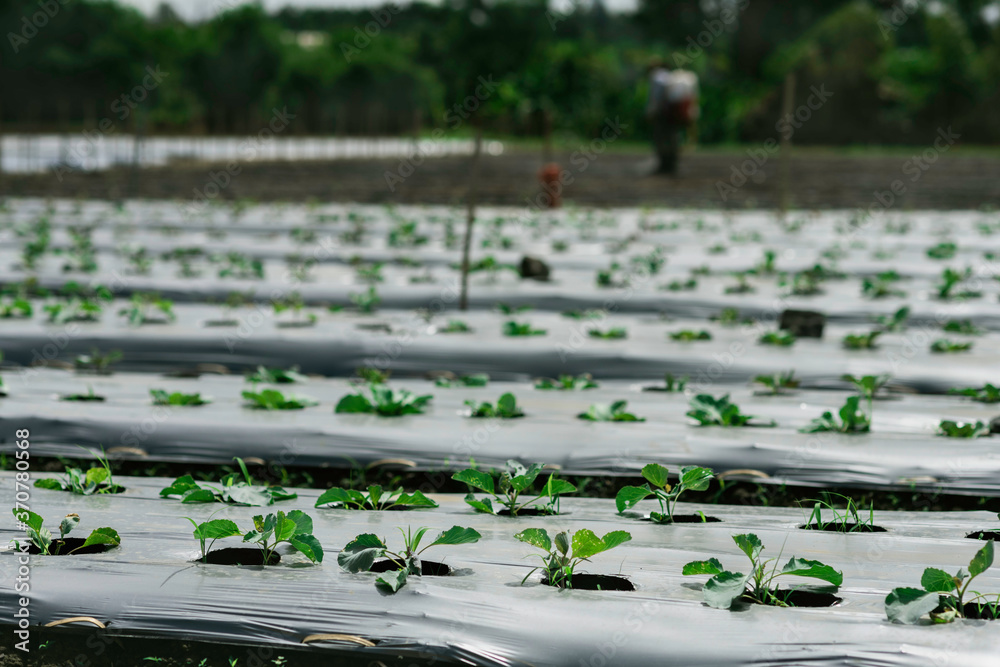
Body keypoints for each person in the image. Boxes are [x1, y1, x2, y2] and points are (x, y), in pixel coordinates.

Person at [645, 60, 698, 175]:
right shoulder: (673, 77)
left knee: (661, 139)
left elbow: (655, 98)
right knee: (673, 138)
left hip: (663, 114)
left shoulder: (657, 78)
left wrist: (651, 113)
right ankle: (672, 164)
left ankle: (664, 165)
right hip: (674, 114)